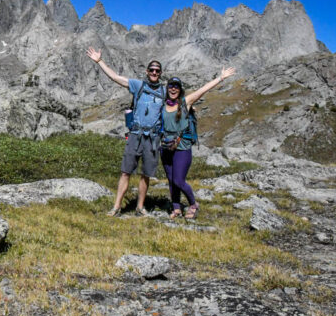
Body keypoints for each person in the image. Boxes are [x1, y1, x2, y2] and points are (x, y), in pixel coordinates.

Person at [86, 46, 166, 216]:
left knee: (146, 174)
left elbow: (178, 105)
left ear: (160, 73)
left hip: (152, 137)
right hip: (136, 134)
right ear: (147, 71)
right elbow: (115, 77)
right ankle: (116, 207)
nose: (154, 72)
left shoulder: (164, 92)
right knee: (126, 171)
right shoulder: (138, 85)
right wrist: (100, 61)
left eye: (157, 71)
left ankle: (140, 207)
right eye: (151, 70)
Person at [161, 67, 236, 219]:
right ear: (167, 88)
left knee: (178, 180)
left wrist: (220, 78)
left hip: (182, 147)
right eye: (171, 86)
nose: (173, 89)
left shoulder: (185, 102)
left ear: (180, 90)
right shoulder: (163, 105)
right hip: (166, 146)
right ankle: (176, 208)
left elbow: (203, 90)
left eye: (176, 87)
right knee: (170, 180)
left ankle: (193, 204)